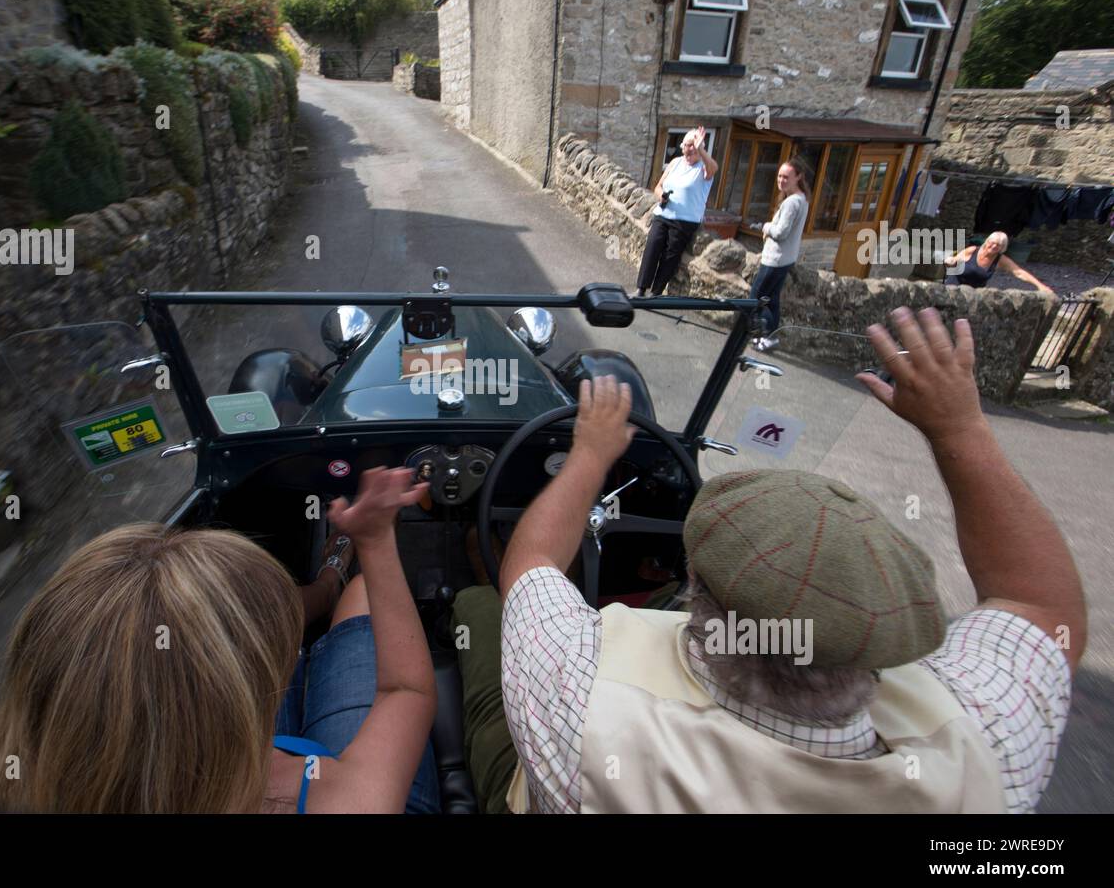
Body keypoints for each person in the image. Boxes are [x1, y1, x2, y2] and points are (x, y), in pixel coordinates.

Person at [454, 308, 1084, 813]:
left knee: (483, 603)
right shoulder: (983, 752)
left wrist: (590, 455)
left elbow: (528, 564)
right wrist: (960, 428)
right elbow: (1038, 604)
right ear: (890, 636)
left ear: (694, 584)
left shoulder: (578, 693)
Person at [0, 466, 441, 814]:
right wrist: (375, 540)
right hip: (305, 776)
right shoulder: (343, 801)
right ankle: (338, 579)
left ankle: (329, 586)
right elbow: (405, 691)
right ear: (226, 717)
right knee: (364, 597)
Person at [635, 127, 719, 298]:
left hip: (685, 220)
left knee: (670, 256)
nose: (691, 149)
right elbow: (658, 186)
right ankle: (641, 289)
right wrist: (661, 196)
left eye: (695, 146)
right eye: (688, 145)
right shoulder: (675, 163)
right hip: (664, 214)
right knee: (652, 247)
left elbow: (714, 168)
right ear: (682, 147)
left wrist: (701, 149)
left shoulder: (703, 168)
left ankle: (656, 293)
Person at [748, 158, 811, 352]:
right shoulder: (802, 199)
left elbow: (781, 233)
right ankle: (770, 338)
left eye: (786, 177)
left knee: (755, 298)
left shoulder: (792, 202)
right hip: (786, 259)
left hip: (775, 260)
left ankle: (758, 335)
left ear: (798, 177)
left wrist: (765, 226)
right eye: (780, 176)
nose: (781, 180)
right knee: (772, 300)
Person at [943, 231, 1053, 293]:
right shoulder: (972, 251)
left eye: (998, 245)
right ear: (987, 242)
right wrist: (950, 261)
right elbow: (954, 262)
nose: (994, 246)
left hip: (972, 295)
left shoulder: (1000, 259)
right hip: (952, 290)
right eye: (993, 242)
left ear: (1002, 247)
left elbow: (1019, 272)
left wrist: (1040, 286)